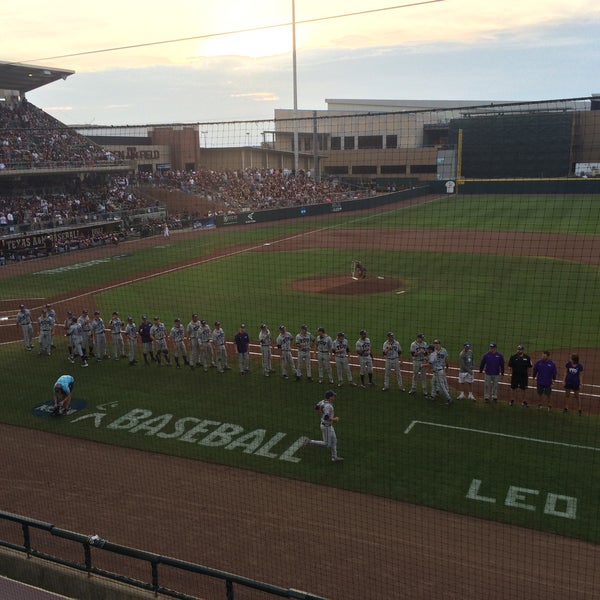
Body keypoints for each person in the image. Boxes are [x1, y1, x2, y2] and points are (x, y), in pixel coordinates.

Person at [301, 390, 344, 462]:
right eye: (333, 396)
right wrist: (335, 419)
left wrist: (322, 412)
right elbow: (326, 417)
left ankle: (334, 457)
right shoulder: (328, 406)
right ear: (330, 397)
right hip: (326, 426)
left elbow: (316, 407)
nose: (334, 397)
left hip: (328, 426)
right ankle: (309, 441)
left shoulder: (323, 401)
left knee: (334, 440)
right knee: (327, 444)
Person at [428, 339, 453, 404]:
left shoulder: (443, 350)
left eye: (437, 343)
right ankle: (433, 395)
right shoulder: (434, 352)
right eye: (435, 343)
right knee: (433, 382)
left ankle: (449, 398)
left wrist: (447, 367)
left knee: (442, 384)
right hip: (437, 370)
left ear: (439, 344)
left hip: (440, 369)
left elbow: (446, 359)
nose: (436, 344)